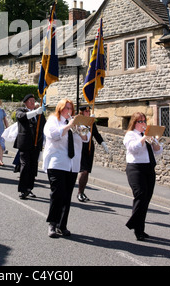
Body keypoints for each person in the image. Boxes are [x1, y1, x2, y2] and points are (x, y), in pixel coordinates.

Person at [43, 98, 90, 238]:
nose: (68, 111)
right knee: (57, 193)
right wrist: (69, 125)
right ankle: (52, 223)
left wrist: (80, 128)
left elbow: (86, 138)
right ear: (59, 109)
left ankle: (62, 225)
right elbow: (54, 135)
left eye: (70, 109)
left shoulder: (76, 122)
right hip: (57, 162)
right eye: (65, 108)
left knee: (67, 196)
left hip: (72, 164)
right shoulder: (53, 120)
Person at [123, 112, 163, 241]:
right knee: (140, 195)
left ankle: (140, 229)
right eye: (140, 121)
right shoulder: (130, 135)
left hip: (148, 168)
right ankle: (134, 225)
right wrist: (144, 138)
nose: (143, 123)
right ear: (134, 123)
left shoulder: (147, 135)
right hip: (135, 168)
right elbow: (133, 148)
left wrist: (154, 141)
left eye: (144, 121)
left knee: (146, 199)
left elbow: (158, 151)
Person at [14, 94, 45, 199]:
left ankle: (29, 188)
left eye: (33, 101)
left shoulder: (40, 113)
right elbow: (22, 117)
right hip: (25, 144)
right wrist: (35, 112)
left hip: (36, 144)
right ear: (25, 102)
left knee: (33, 167)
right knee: (25, 165)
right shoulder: (21, 110)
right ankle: (23, 189)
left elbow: (43, 128)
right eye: (30, 101)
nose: (32, 103)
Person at [77, 105, 109, 202]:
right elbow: (83, 133)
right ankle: (79, 192)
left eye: (89, 111)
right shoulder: (78, 121)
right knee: (83, 171)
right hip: (81, 148)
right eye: (86, 111)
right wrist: (88, 124)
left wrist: (103, 143)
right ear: (82, 112)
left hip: (90, 149)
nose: (88, 112)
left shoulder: (91, 122)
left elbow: (96, 134)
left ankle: (82, 192)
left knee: (87, 171)